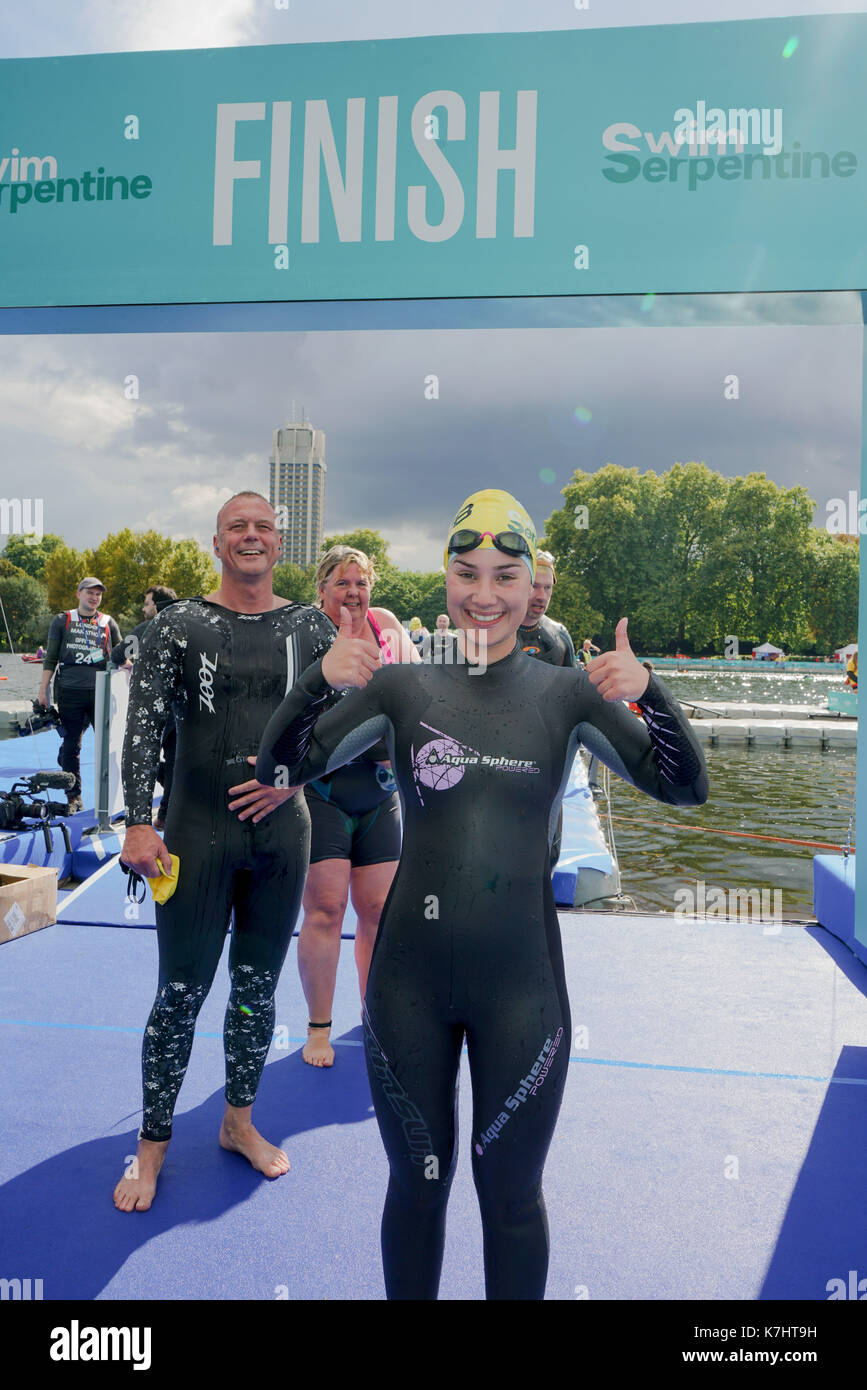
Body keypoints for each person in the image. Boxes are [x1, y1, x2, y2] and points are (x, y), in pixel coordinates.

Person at [256, 487, 708, 1300]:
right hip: (408, 988)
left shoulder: (567, 696)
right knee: (417, 1189)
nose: (484, 594)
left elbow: (684, 787)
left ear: (529, 582)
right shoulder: (403, 692)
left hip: (522, 992)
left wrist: (649, 690)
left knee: (509, 1197)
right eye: (467, 572)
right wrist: (318, 682)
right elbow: (279, 771)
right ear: (446, 579)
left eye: (505, 574)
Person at [113, 492, 341, 1214]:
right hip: (193, 832)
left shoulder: (311, 625)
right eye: (236, 527)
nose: (250, 536)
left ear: (280, 546)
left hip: (281, 835)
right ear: (217, 543)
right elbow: (143, 727)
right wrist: (139, 824)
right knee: (179, 994)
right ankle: (150, 1148)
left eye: (263, 527)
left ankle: (237, 1122)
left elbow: (337, 730)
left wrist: (289, 783)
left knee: (253, 994)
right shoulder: (177, 625)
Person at [298, 545, 419, 1068]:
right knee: (325, 911)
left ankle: (374, 1018)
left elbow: (419, 693)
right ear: (322, 588)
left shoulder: (386, 626)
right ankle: (318, 1029)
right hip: (323, 792)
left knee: (378, 912)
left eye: (361, 583)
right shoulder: (305, 632)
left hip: (381, 792)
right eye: (342, 584)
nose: (352, 593)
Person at [38, 578, 122, 813]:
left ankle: (116, 797)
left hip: (102, 692)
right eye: (89, 593)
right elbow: (51, 658)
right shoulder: (62, 620)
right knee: (72, 746)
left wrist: (131, 669)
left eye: (98, 594)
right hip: (69, 692)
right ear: (78, 594)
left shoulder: (108, 622)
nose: (94, 597)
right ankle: (74, 796)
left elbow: (122, 655)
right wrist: (42, 690)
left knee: (109, 745)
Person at [111, 586, 179, 831]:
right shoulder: (188, 625)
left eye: (147, 603)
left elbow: (117, 654)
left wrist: (129, 664)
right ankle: (166, 815)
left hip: (153, 708)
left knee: (144, 759)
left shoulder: (148, 628)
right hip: (183, 708)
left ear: (157, 606)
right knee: (174, 761)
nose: (143, 608)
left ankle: (139, 822)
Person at [516, 551, 576, 666]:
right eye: (534, 586)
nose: (542, 596)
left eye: (548, 587)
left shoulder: (560, 633)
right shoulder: (493, 631)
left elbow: (574, 682)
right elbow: (475, 680)